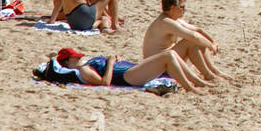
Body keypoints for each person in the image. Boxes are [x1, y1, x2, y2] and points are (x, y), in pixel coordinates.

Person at [142, 0, 228, 82]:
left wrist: (213, 41)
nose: (184, 10)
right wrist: (211, 46)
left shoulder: (174, 20)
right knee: (191, 41)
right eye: (182, 7)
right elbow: (194, 37)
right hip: (156, 66)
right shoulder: (165, 22)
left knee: (198, 40)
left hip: (166, 60)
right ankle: (208, 74)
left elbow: (198, 30)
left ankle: (213, 70)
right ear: (172, 8)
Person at [41, 46, 206, 92]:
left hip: (129, 70)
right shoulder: (83, 71)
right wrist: (111, 62)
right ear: (68, 62)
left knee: (172, 54)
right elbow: (105, 83)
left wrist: (113, 60)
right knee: (169, 55)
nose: (79, 57)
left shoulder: (84, 65)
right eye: (76, 57)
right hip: (128, 77)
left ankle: (196, 81)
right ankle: (191, 86)